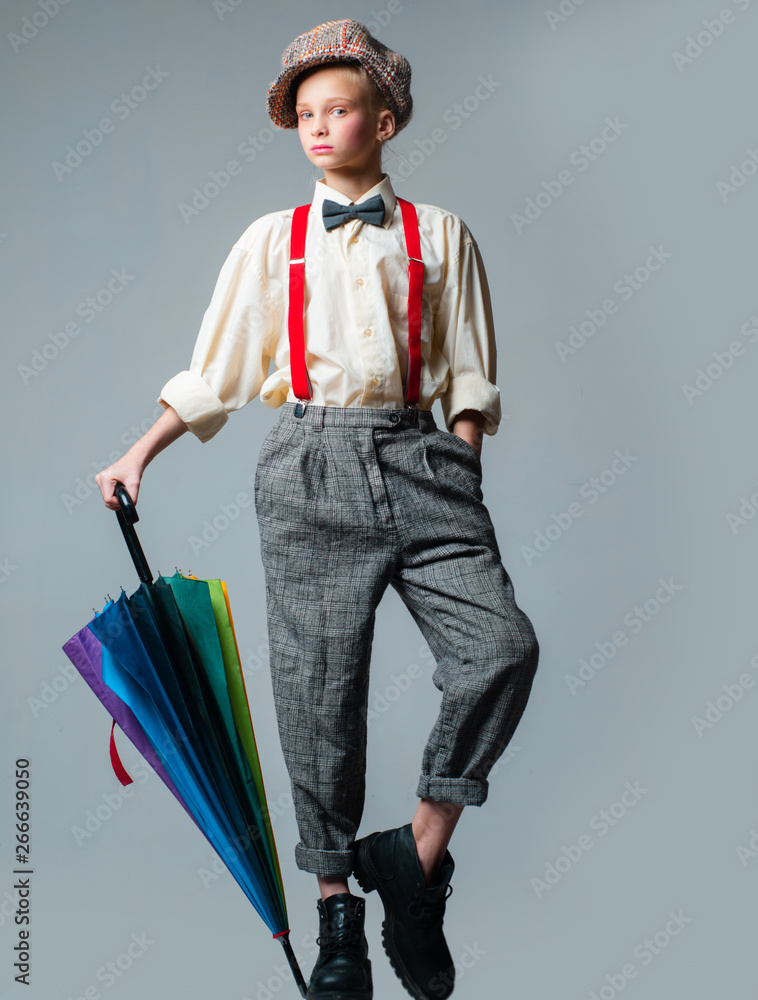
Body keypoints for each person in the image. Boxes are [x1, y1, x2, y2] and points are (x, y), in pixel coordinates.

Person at [95, 19, 539, 1000]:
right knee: (318, 698)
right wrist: (140, 451)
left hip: (423, 458)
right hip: (307, 465)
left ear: (384, 119)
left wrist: (457, 465)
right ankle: (338, 908)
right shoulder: (270, 244)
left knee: (499, 648)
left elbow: (469, 373)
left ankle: (414, 862)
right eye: (304, 113)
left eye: (337, 109)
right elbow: (216, 371)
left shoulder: (440, 236)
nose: (318, 126)